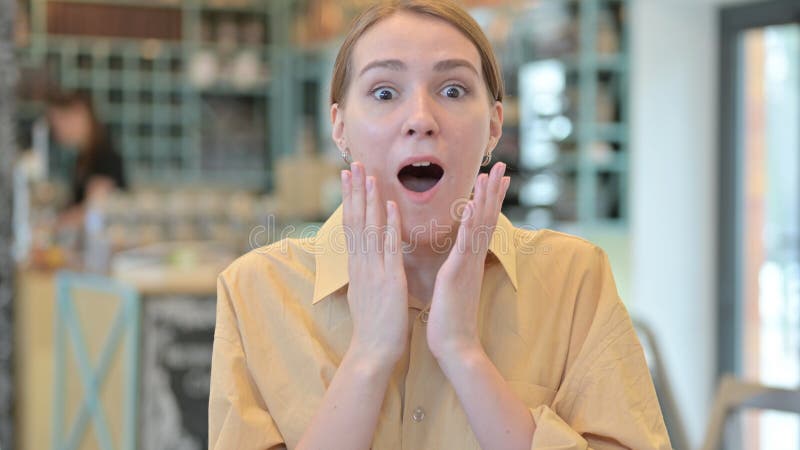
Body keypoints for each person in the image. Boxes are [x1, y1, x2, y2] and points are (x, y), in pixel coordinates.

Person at [209, 1, 671, 449]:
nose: (421, 120)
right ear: (340, 126)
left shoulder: (575, 279)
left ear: (493, 125)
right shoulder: (254, 291)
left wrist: (462, 352)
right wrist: (368, 356)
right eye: (385, 92)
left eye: (452, 90)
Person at [47, 90, 127, 227]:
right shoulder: (82, 157)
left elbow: (94, 210)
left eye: (60, 121)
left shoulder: (104, 156)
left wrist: (54, 224)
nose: (56, 131)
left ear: (80, 115)